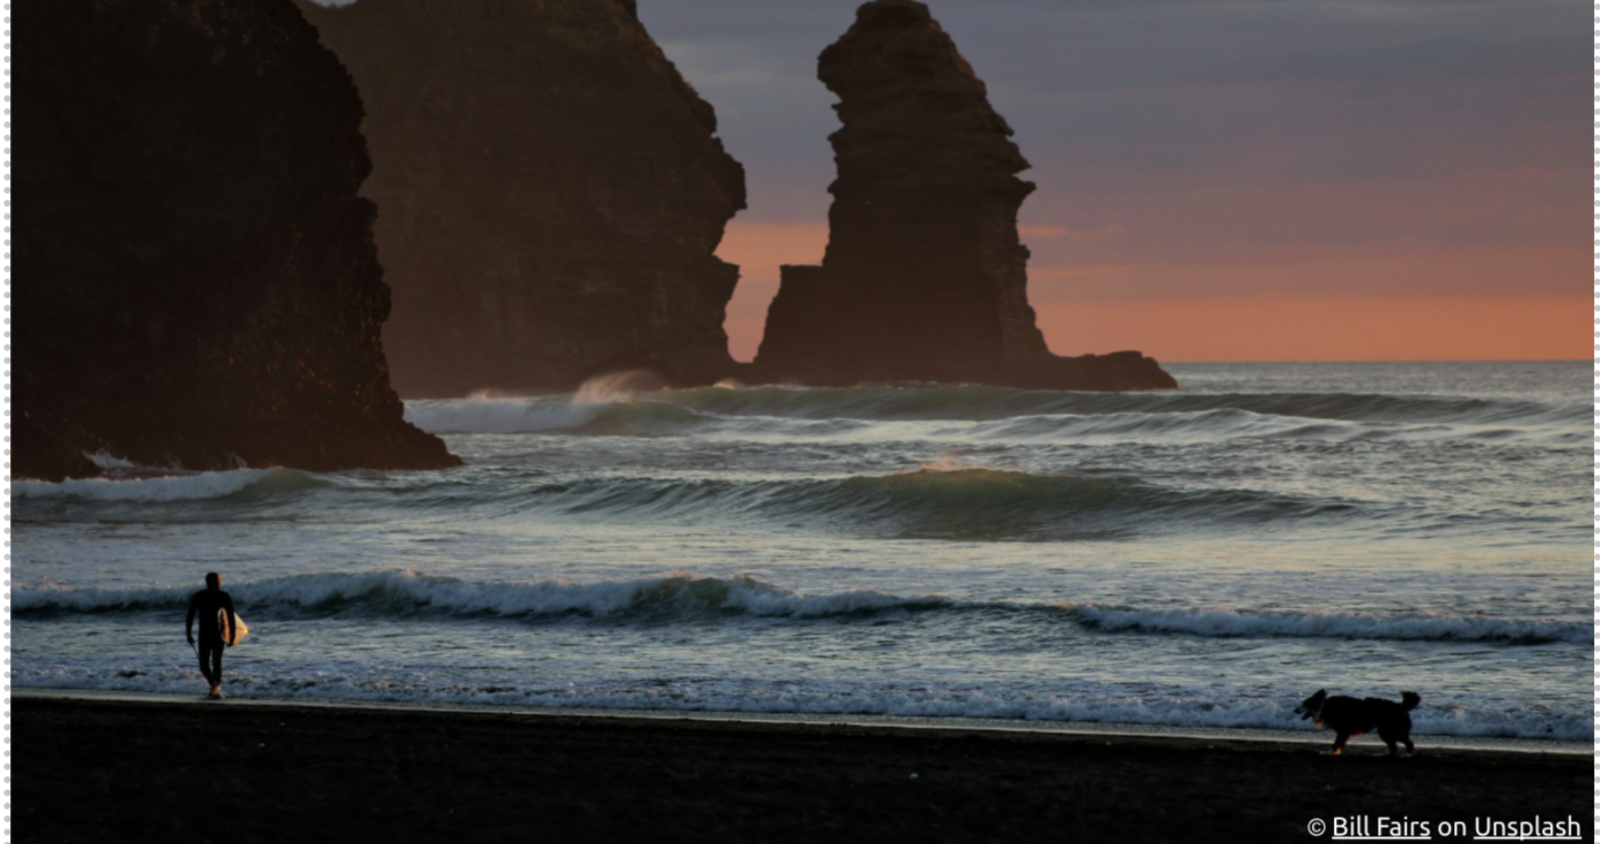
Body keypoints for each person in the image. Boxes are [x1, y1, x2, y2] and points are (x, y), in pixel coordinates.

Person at [185, 572, 237, 699]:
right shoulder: (200, 596)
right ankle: (214, 685)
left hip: (216, 634)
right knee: (205, 664)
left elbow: (231, 617)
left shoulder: (223, 596)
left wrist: (232, 635)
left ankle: (215, 688)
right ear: (212, 582)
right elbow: (190, 615)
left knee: (214, 663)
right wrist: (188, 633)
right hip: (209, 634)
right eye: (218, 581)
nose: (219, 583)